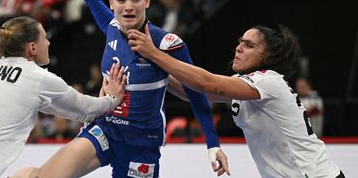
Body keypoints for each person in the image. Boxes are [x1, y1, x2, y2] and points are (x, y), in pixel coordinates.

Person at [12, 0, 229, 178]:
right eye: (121, 0)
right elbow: (96, 7)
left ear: (147, 1)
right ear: (112, 3)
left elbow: (195, 92)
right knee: (41, 176)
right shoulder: (113, 27)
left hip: (142, 143)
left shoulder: (167, 44)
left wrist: (213, 144)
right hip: (106, 130)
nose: (128, 7)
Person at [127, 24, 345, 178]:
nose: (239, 47)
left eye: (249, 45)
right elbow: (191, 91)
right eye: (240, 42)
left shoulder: (268, 81)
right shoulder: (245, 84)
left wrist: (154, 54)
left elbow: (204, 82)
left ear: (267, 58)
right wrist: (151, 67)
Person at [0, 16, 127, 178]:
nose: (48, 42)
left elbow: (48, 105)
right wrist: (111, 99)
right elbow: (85, 108)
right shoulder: (37, 77)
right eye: (45, 37)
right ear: (32, 48)